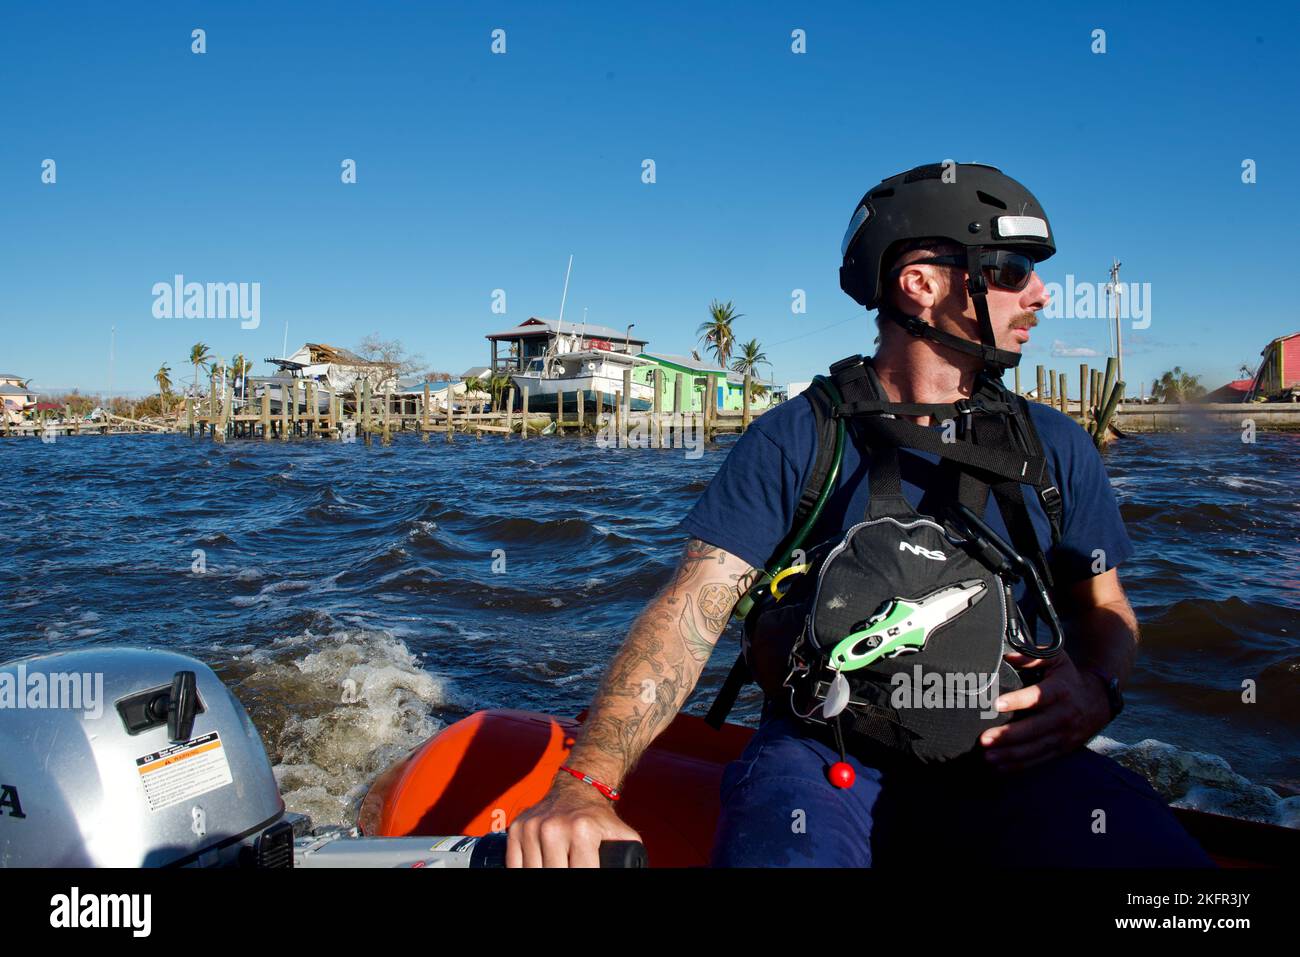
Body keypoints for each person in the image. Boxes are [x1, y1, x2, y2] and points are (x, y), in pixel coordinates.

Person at [507, 162, 1212, 867]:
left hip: (1012, 756)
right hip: (826, 759)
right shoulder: (797, 436)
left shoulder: (1056, 446)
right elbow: (691, 608)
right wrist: (585, 783)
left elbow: (1105, 605)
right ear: (922, 282)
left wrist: (1098, 693)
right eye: (1011, 267)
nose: (1041, 293)